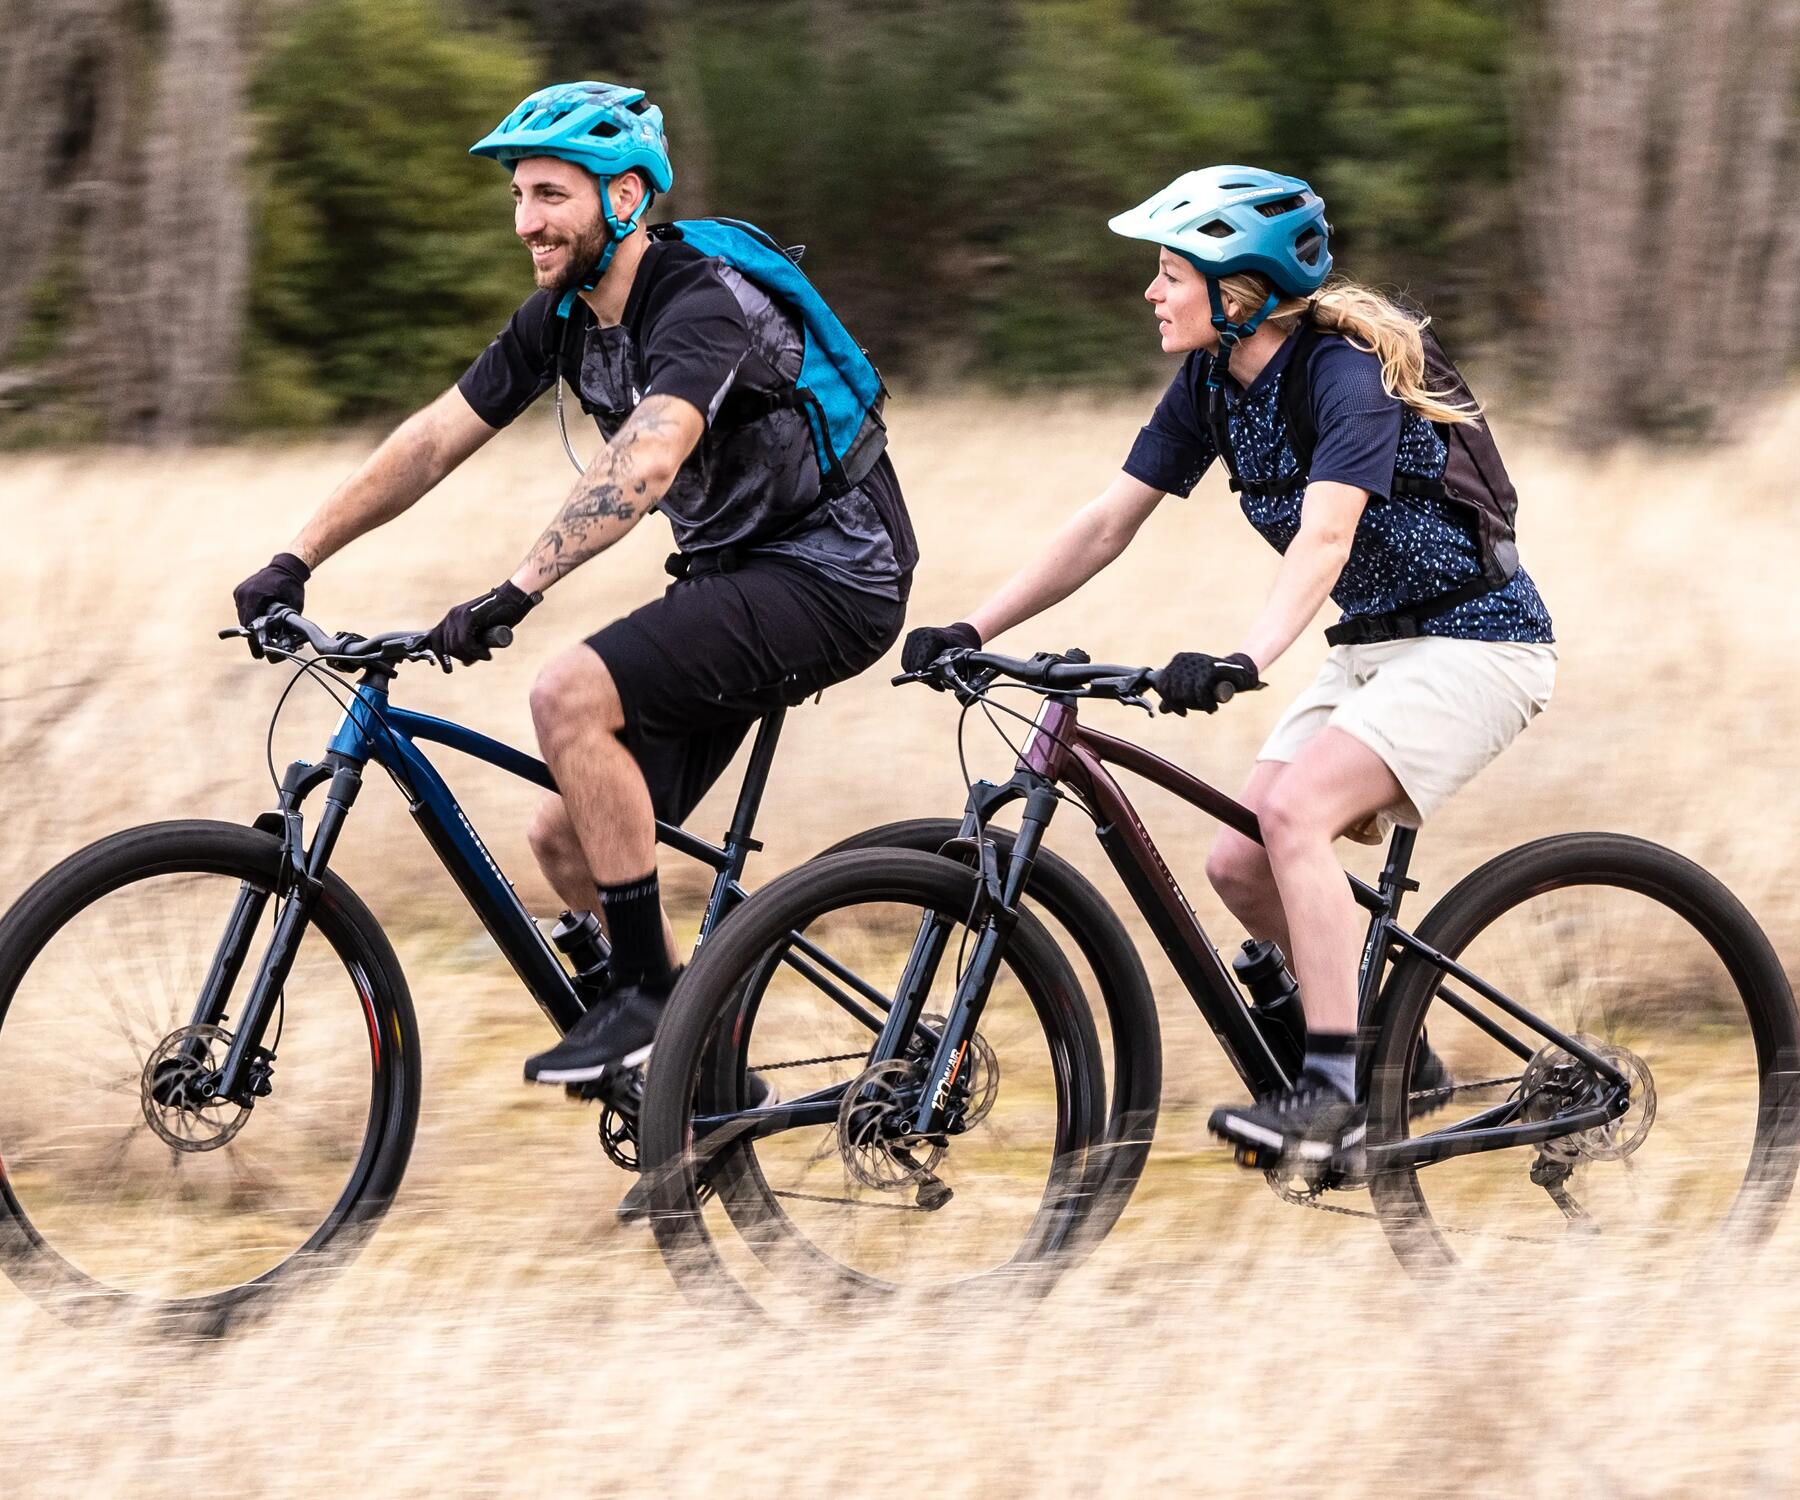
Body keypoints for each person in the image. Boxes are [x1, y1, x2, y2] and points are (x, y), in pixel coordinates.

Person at [232, 81, 915, 1093]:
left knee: (566, 695)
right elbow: (432, 441)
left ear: (625, 196)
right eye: (519, 197)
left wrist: (517, 588)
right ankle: (708, 1086)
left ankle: (648, 1002)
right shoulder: (561, 319)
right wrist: (296, 556)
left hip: (834, 569)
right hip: (735, 574)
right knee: (566, 840)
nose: (526, 223)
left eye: (551, 195)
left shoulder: (700, 300)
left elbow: (649, 456)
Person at [902, 165, 1554, 1168]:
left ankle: (1332, 1092)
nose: (1151, 293)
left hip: (1479, 642)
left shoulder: (1345, 374)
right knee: (1239, 864)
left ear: (1239, 290)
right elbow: (1107, 523)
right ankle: (1397, 1059)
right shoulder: (1213, 383)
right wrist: (970, 626)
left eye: (1171, 275)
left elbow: (1327, 537)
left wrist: (1245, 656)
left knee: (1292, 817)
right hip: (1376, 647)